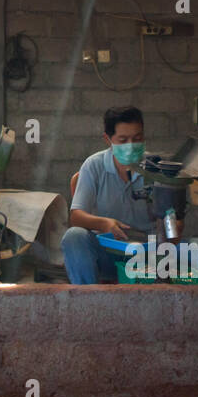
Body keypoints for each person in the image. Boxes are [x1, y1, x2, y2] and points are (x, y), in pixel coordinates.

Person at [61, 106, 154, 284]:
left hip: (148, 255)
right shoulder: (94, 166)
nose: (131, 145)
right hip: (108, 254)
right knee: (74, 237)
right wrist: (104, 223)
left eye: (137, 138)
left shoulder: (156, 168)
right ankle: (87, 303)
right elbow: (76, 217)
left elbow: (172, 222)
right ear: (108, 139)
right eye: (123, 140)